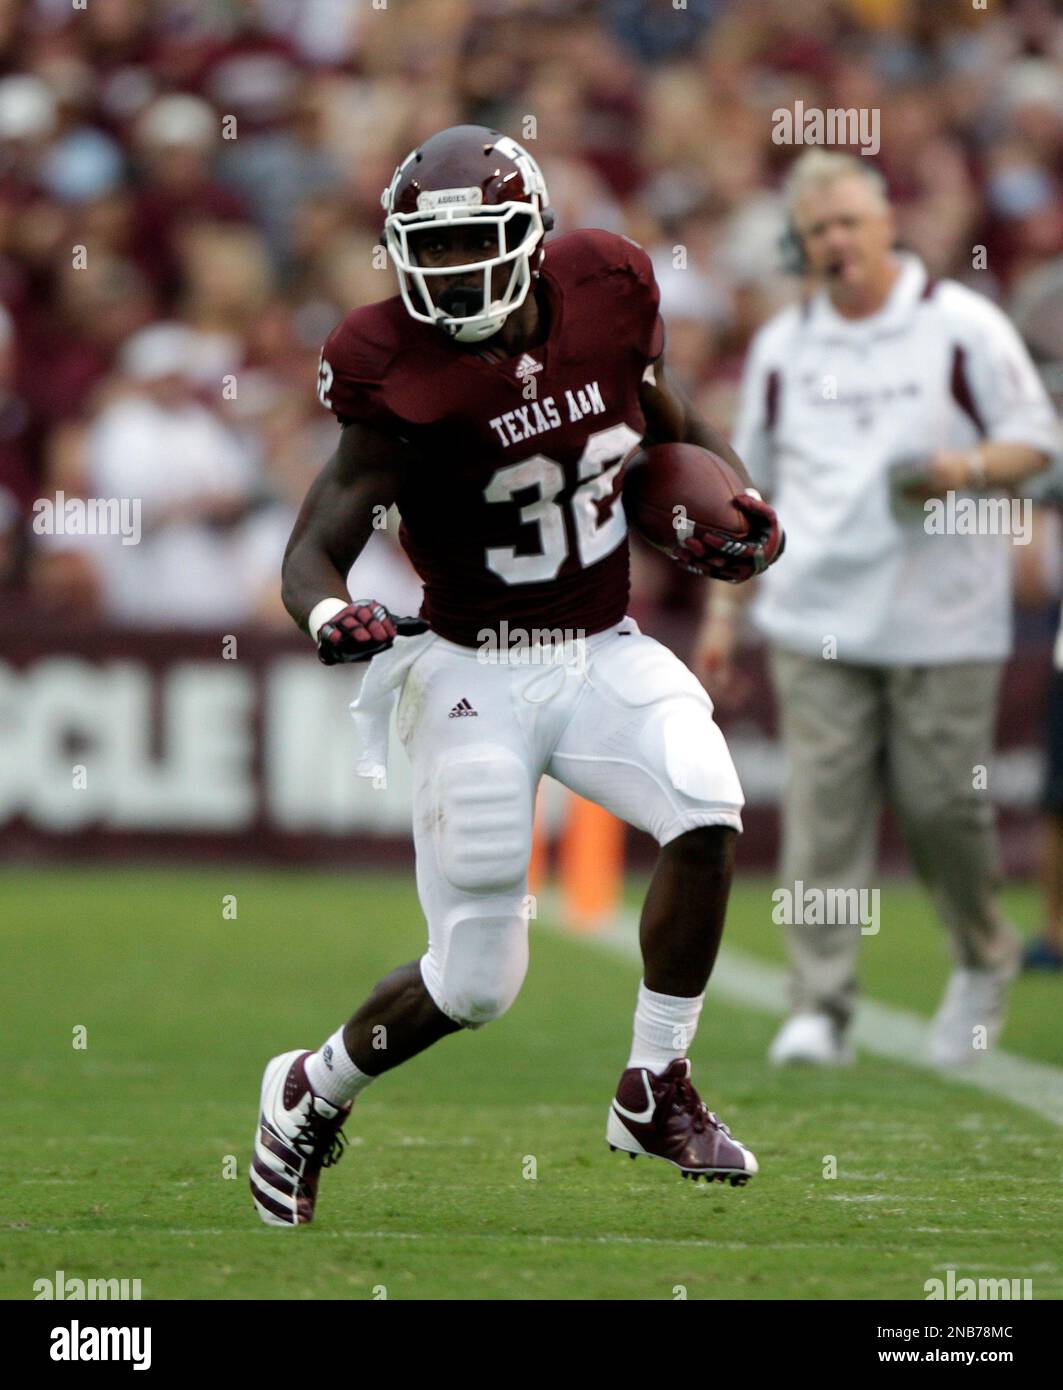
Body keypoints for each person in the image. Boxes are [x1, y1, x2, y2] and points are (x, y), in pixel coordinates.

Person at [249, 125, 784, 1226]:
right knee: (478, 983)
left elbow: (664, 424)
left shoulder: (609, 286)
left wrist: (728, 499)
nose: (449, 275)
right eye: (428, 254)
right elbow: (316, 541)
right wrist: (328, 610)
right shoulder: (390, 365)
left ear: (530, 235)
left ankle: (654, 1084)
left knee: (706, 800)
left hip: (599, 647)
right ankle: (309, 1088)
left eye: (473, 246)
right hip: (469, 670)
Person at [697, 150, 1058, 1067]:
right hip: (814, 610)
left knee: (944, 807)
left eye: (849, 221)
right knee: (823, 809)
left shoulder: (958, 327)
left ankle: (981, 954)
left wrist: (963, 470)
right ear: (802, 245)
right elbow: (745, 493)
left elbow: (1038, 444)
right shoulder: (786, 348)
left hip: (942, 613)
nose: (836, 241)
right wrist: (722, 615)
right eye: (818, 229)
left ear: (887, 223)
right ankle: (818, 1004)